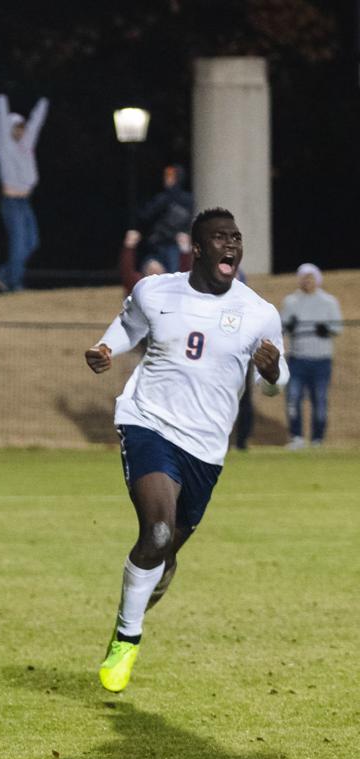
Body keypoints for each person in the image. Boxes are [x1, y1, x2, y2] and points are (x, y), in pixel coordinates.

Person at [84, 208, 287, 693]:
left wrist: (274, 369)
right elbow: (128, 327)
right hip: (148, 422)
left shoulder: (259, 313)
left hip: (207, 448)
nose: (232, 245)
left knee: (166, 551)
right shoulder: (155, 291)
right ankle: (126, 638)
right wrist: (105, 349)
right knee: (155, 532)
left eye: (236, 237)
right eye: (220, 237)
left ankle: (144, 589)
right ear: (198, 248)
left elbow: (277, 387)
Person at [0, 92, 48, 292]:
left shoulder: (26, 145)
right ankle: (14, 283)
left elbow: (36, 123)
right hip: (11, 202)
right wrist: (1, 98)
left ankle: (3, 274)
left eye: (23, 128)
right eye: (17, 128)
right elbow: (1, 124)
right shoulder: (3, 147)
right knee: (18, 243)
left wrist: (44, 99)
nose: (21, 132)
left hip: (25, 201)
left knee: (32, 242)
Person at [281, 263, 342, 449]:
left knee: (320, 399)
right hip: (298, 358)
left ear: (317, 279)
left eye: (311, 277)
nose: (307, 281)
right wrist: (288, 326)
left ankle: (317, 439)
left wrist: (327, 330)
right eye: (304, 277)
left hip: (321, 359)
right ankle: (297, 436)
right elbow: (281, 327)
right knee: (293, 397)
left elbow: (337, 328)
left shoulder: (329, 302)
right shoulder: (291, 302)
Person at [137, 165, 195, 276]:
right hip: (160, 243)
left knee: (175, 274)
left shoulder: (180, 199)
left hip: (176, 245)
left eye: (170, 176)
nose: (166, 179)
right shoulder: (164, 198)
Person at [119, 229, 193, 295]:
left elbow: (185, 278)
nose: (154, 272)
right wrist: (129, 246)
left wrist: (185, 249)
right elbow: (127, 272)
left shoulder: (172, 288)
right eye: (151, 272)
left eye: (157, 273)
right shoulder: (140, 288)